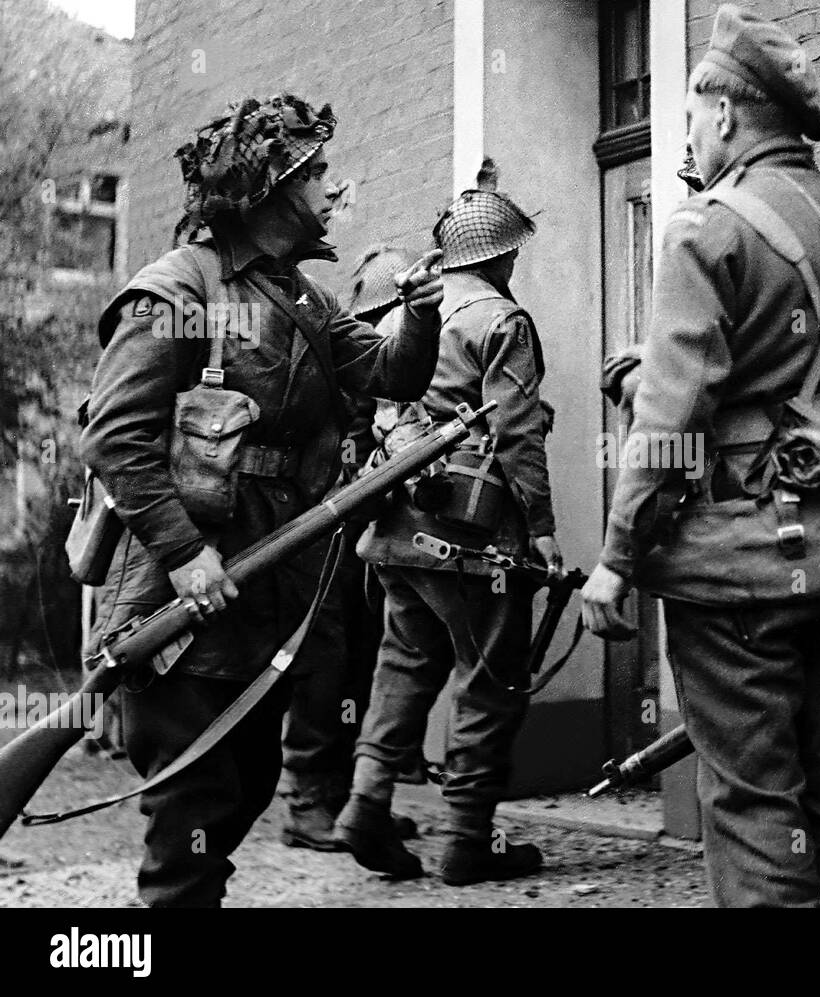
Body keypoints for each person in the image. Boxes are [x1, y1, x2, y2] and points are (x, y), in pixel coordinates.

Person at [581, 5, 820, 907]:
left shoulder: (707, 231)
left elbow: (669, 424)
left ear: (727, 114)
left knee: (752, 795)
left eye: (696, 119)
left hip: (741, 569)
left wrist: (616, 561)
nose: (692, 139)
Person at [83, 93, 444, 907]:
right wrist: (181, 553)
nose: (331, 188)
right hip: (186, 600)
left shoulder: (306, 301)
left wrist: (420, 313)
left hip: (268, 594)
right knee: (193, 813)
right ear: (270, 189)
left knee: (248, 784)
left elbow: (388, 373)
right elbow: (115, 439)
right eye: (314, 172)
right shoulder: (175, 291)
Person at [334, 160, 561, 885]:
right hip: (473, 532)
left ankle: (366, 804)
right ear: (497, 254)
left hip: (400, 523)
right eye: (513, 252)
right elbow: (518, 430)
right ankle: (467, 840)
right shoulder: (503, 319)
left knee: (403, 665)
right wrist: (546, 529)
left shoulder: (413, 312)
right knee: (491, 677)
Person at [278, 246, 423, 850]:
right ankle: (307, 800)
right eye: (384, 311)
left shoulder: (388, 367)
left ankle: (344, 801)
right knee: (323, 662)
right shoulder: (335, 358)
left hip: (364, 531)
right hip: (323, 529)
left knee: (361, 659)